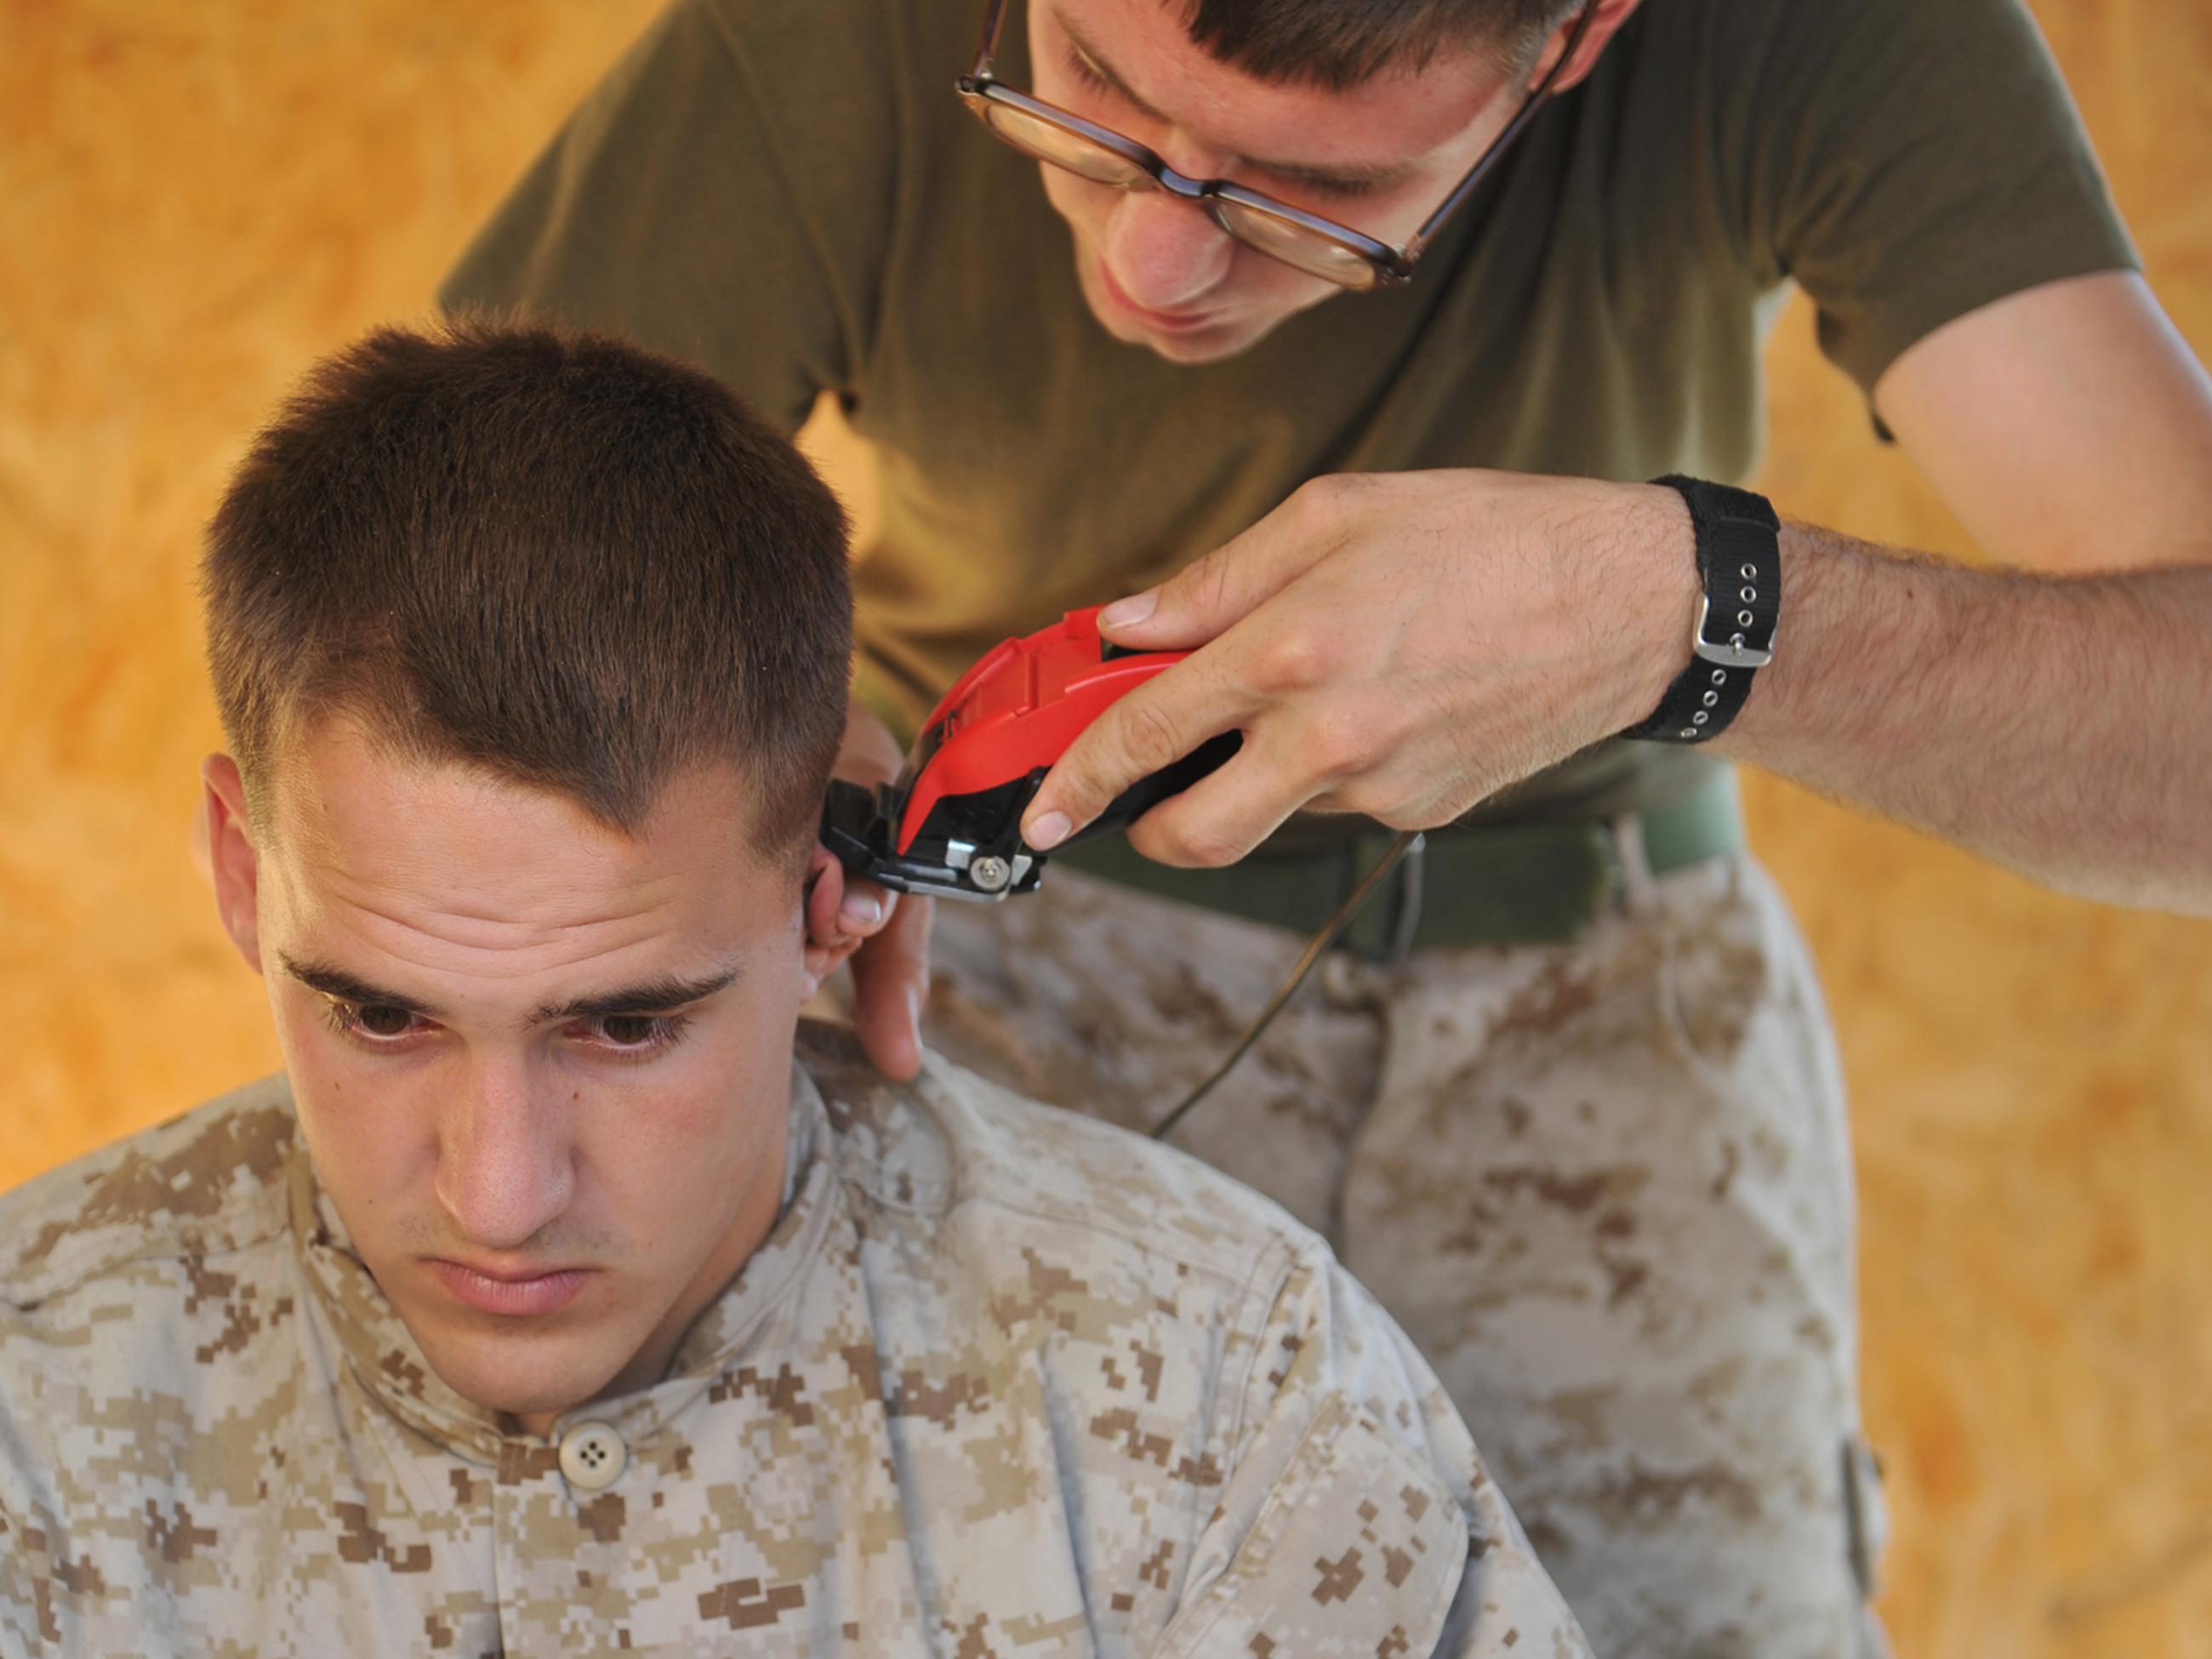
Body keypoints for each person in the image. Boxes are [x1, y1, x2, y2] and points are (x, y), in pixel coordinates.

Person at [439, 0, 2212, 1649]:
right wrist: (762, 720)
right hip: (981, 974)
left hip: (1607, 1010)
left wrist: (1684, 609)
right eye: (1093, 89)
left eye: (1319, 188)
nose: (1154, 260)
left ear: (1585, 29)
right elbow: (441, 562)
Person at [0, 321, 1590, 1656]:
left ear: (832, 892)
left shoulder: (1232, 1403)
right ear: (237, 866)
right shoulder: (30, 1404)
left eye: (626, 1023)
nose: (498, 1192)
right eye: (382, 1013)